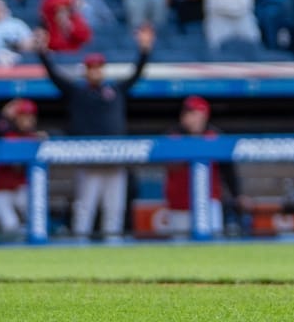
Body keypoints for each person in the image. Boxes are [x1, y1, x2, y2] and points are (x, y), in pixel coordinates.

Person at [38, 25, 155, 240]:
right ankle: (80, 243)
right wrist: (43, 53)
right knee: (85, 207)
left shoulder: (114, 90)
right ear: (86, 71)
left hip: (116, 158)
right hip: (88, 158)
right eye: (91, 68)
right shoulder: (78, 91)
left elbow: (136, 74)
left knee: (115, 208)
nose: (95, 71)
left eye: (98, 68)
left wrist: (145, 51)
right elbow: (54, 76)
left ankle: (113, 244)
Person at [163, 96, 244, 236]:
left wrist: (237, 194)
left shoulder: (215, 136)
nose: (190, 117)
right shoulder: (173, 136)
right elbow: (171, 164)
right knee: (179, 244)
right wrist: (193, 145)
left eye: (195, 113)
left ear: (204, 115)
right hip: (180, 204)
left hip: (209, 203)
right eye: (187, 112)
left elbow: (228, 169)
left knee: (213, 242)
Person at [0, 98, 43, 240]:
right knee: (10, 225)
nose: (27, 120)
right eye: (23, 116)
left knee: (35, 216)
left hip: (19, 189)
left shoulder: (35, 137)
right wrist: (3, 114)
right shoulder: (2, 133)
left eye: (30, 117)